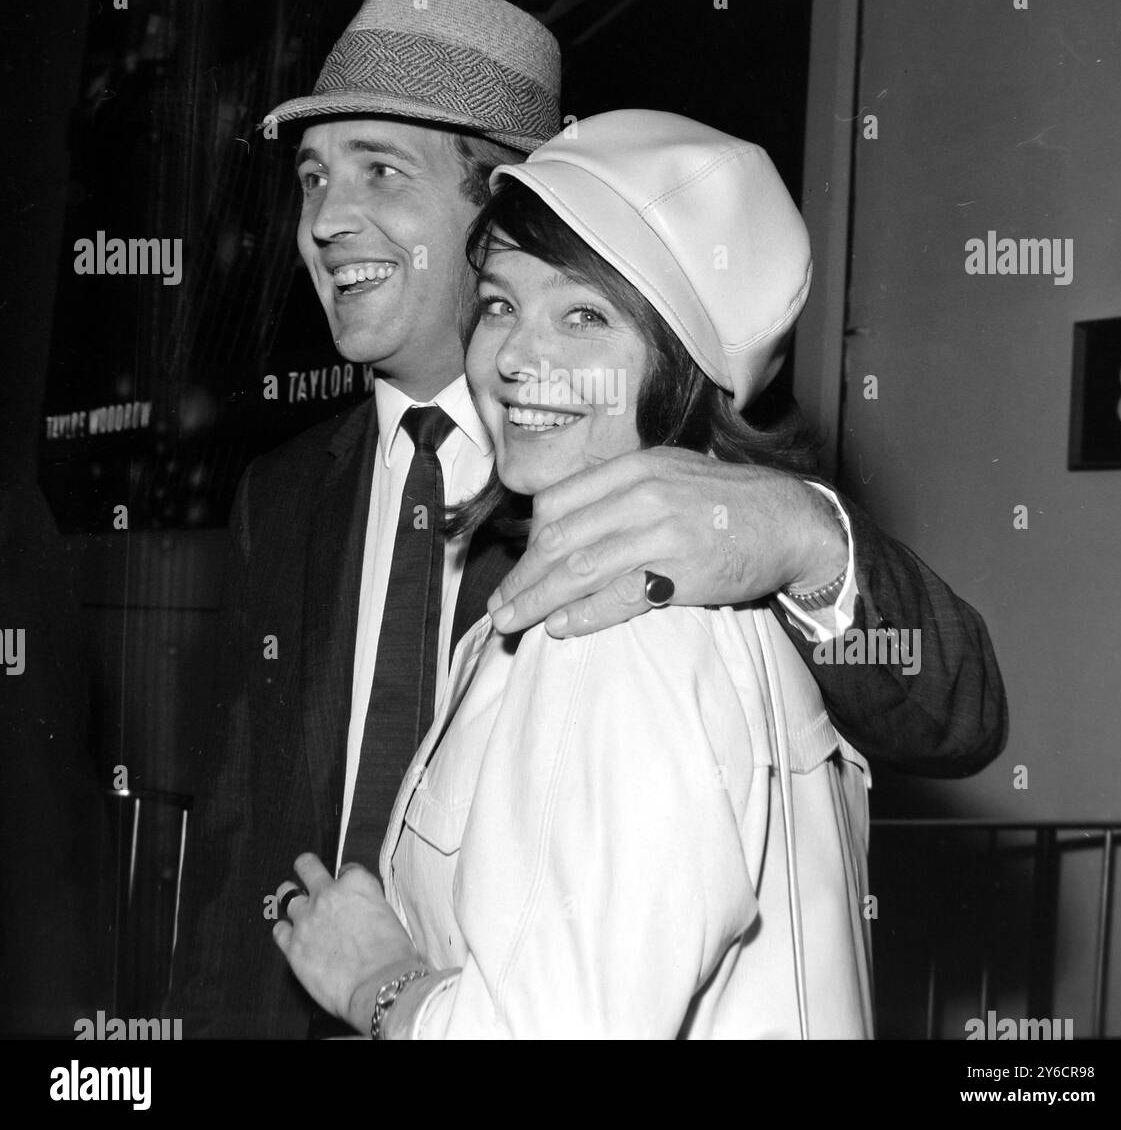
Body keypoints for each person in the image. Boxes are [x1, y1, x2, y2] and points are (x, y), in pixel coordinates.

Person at [167, 0, 1005, 1039]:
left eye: (380, 170)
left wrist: (800, 538)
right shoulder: (280, 492)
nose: (328, 219)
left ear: (511, 198)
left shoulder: (674, 519)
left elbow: (958, 710)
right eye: (312, 175)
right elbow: (242, 839)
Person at [271, 110, 880, 1038]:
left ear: (678, 370)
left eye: (585, 316)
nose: (515, 357)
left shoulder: (619, 633)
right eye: (501, 305)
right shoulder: (611, 601)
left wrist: (376, 984)